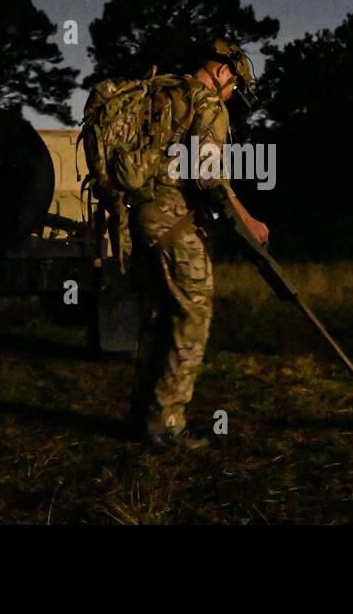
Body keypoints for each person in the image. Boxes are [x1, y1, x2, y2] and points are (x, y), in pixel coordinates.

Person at [128, 39, 269, 449]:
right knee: (193, 313)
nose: (229, 97)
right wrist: (248, 220)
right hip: (174, 221)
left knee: (157, 318)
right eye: (232, 89)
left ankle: (144, 417)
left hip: (140, 220)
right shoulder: (206, 103)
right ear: (224, 72)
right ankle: (168, 424)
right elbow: (209, 177)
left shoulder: (162, 95)